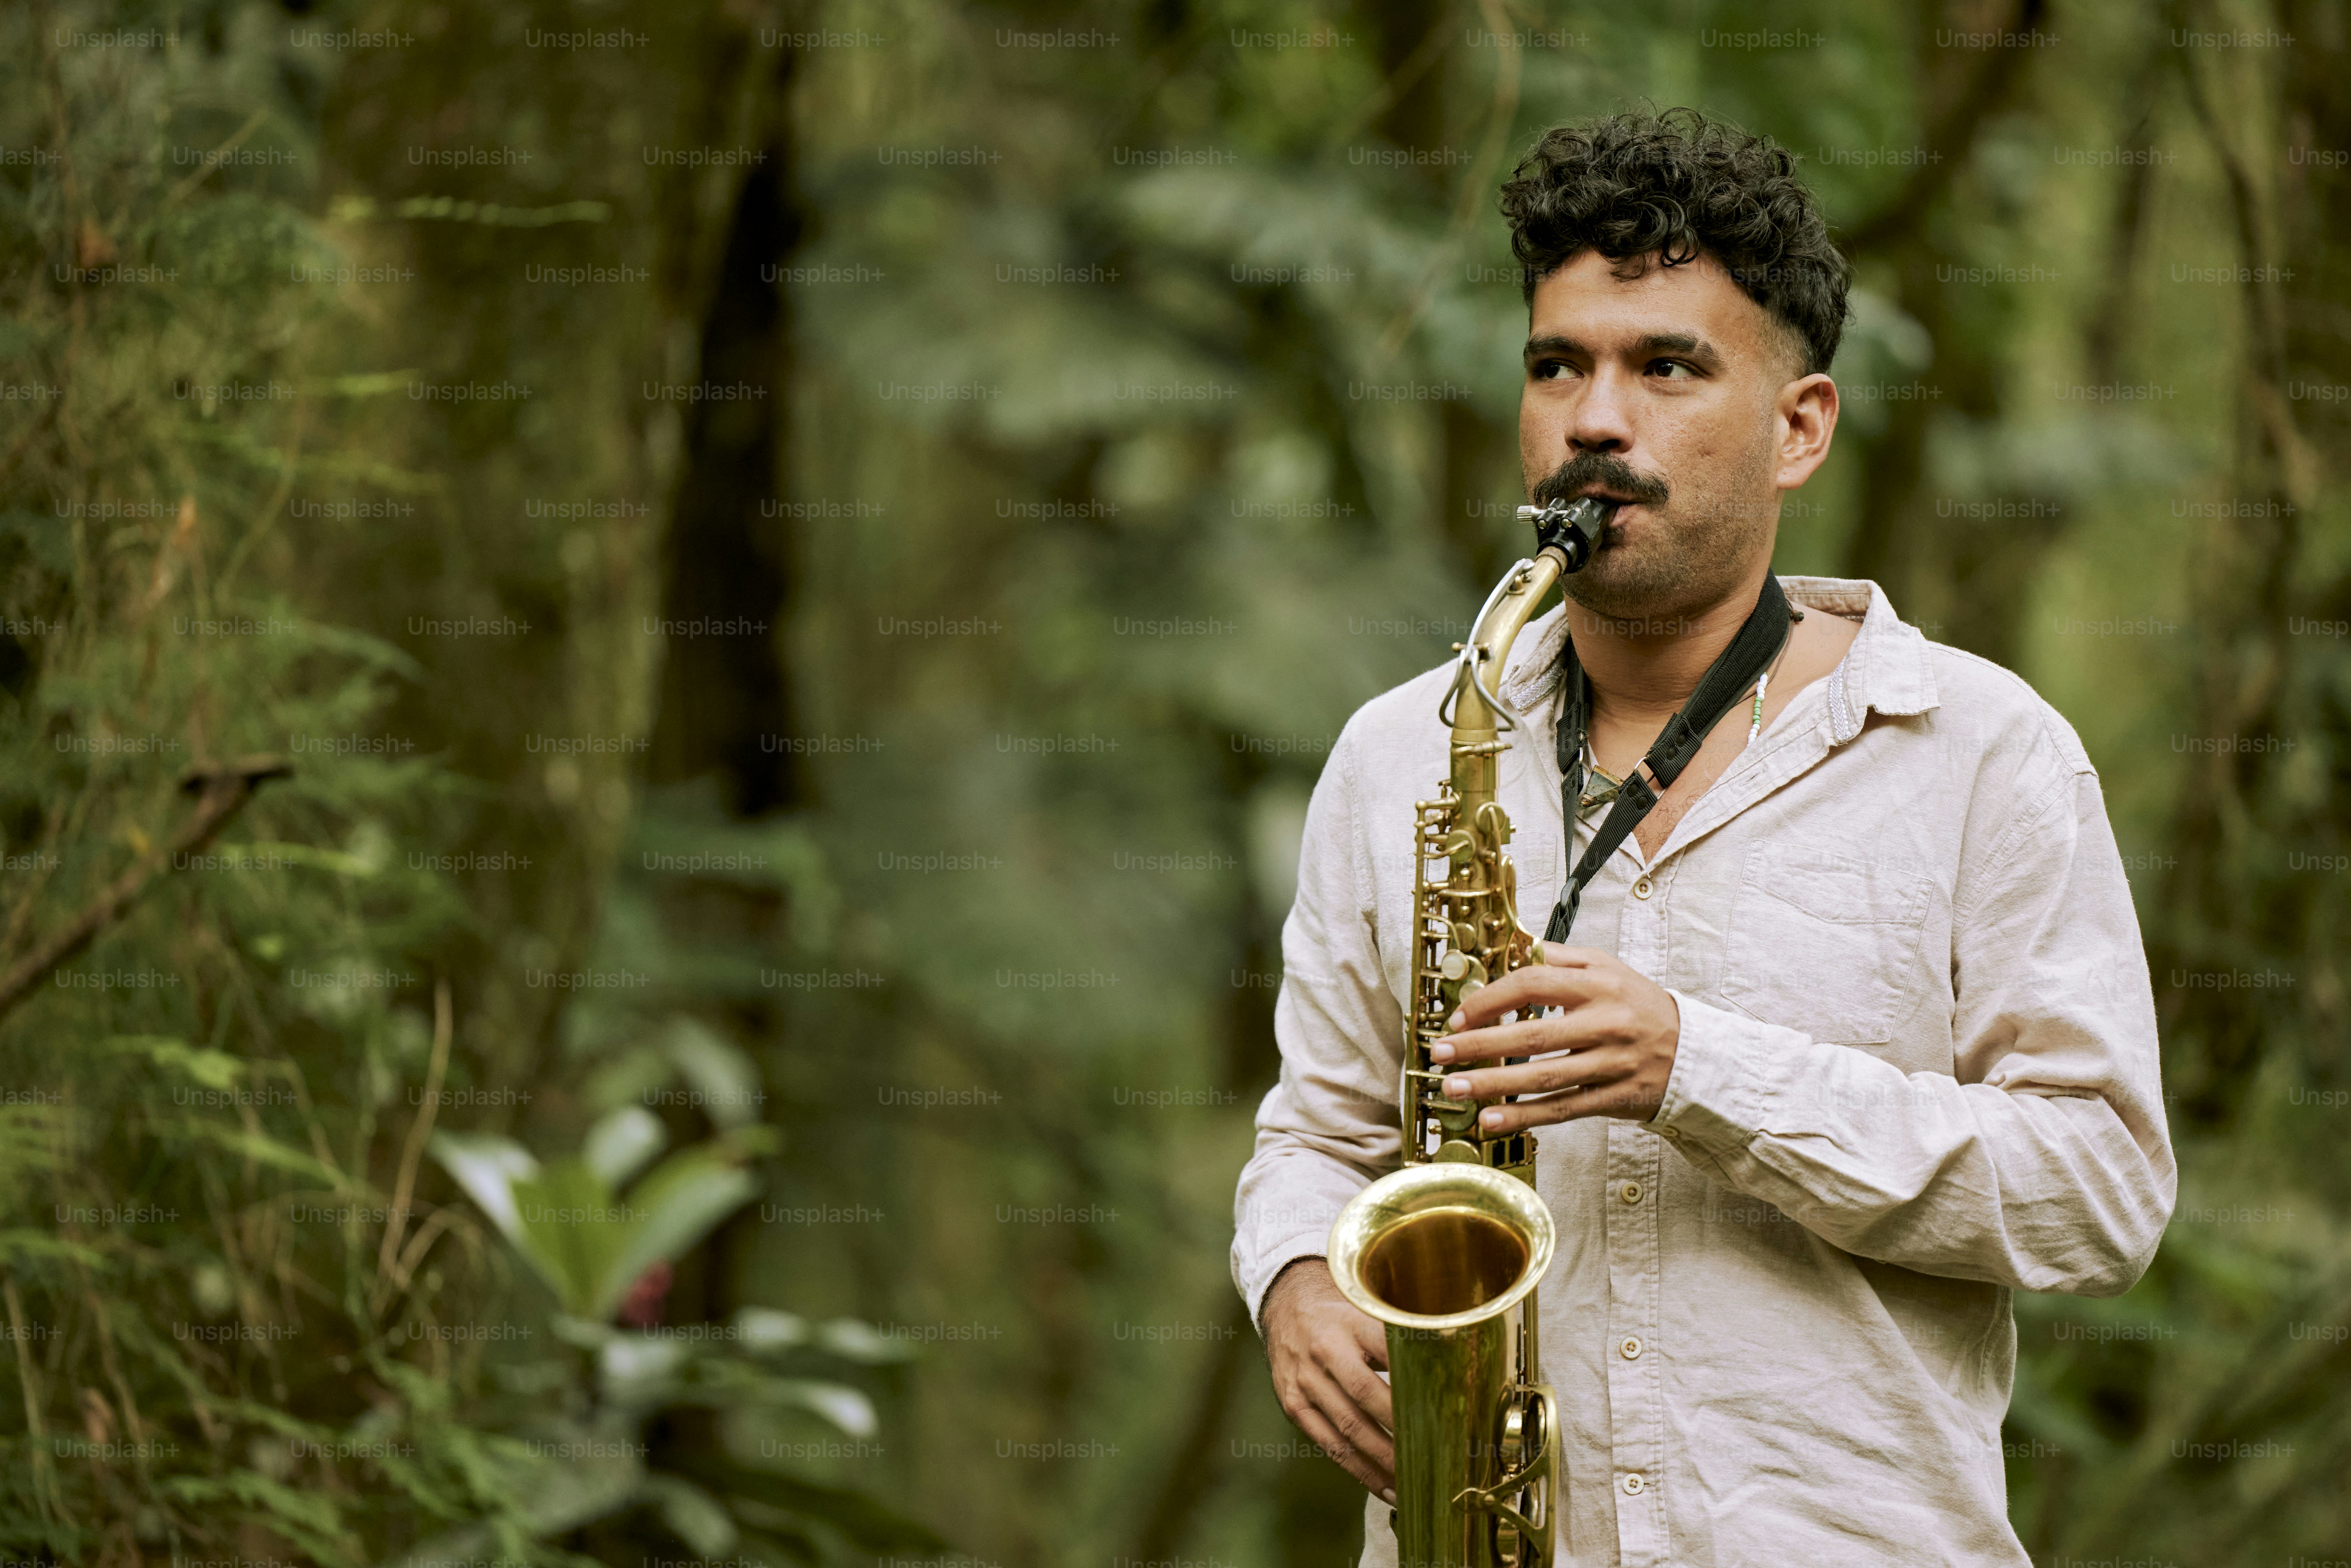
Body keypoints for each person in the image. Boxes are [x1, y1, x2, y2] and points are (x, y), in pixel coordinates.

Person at [1232, 108, 2175, 1567]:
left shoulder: (1988, 754)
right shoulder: (1393, 755)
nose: (1593, 421)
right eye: (1559, 366)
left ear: (1800, 426)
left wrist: (1699, 1068)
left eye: (1666, 367)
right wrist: (1296, 1271)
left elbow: (2099, 1192)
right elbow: (1319, 1132)